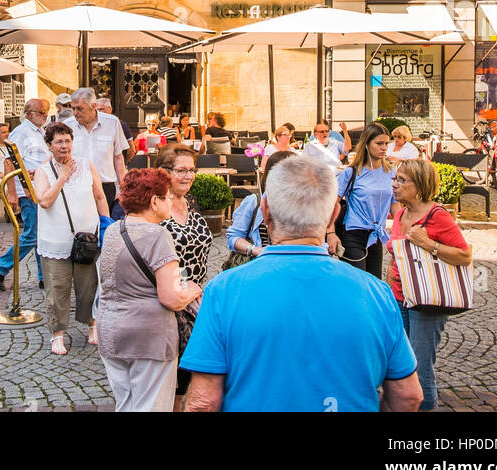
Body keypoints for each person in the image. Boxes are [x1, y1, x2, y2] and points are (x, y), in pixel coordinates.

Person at [181, 157, 421, 413]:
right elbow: (408, 396)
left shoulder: (224, 290)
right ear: (333, 214)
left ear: (265, 211)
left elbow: (203, 403)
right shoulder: (375, 293)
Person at [97, 168, 202, 412]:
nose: (170, 201)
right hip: (149, 336)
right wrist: (193, 290)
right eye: (166, 196)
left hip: (111, 330)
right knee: (152, 407)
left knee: (126, 405)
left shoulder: (113, 230)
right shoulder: (158, 234)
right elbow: (171, 296)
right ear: (155, 202)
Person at [388, 159, 472, 412]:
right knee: (401, 362)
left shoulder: (438, 216)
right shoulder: (400, 213)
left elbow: (464, 256)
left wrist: (427, 243)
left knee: (419, 364)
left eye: (402, 180)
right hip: (400, 297)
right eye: (395, 178)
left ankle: (425, 407)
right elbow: (396, 255)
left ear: (421, 185)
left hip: (428, 299)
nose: (395, 184)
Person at [35, 122, 110, 357]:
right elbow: (45, 201)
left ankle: (92, 324)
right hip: (55, 241)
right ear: (49, 145)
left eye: (67, 140)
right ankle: (57, 333)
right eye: (58, 141)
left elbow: (99, 196)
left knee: (89, 285)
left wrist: (107, 226)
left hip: (86, 240)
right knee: (57, 288)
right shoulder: (43, 171)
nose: (64, 145)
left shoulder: (87, 165)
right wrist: (63, 177)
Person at [155, 145, 213, 409]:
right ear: (165, 172)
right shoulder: (156, 206)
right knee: (172, 380)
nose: (188, 176)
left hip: (196, 301)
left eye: (191, 170)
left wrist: (197, 294)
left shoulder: (190, 201)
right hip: (170, 304)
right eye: (181, 170)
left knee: (189, 376)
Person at [0, 98, 51, 292]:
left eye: (46, 112)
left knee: (41, 234)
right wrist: (12, 192)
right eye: (42, 112)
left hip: (39, 189)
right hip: (27, 190)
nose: (45, 115)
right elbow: (9, 163)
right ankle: (1, 266)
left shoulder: (40, 131)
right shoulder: (21, 133)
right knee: (32, 234)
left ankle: (43, 277)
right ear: (29, 113)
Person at [328, 122, 397, 277]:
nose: (384, 148)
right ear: (366, 144)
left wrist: (401, 231)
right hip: (353, 234)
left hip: (376, 235)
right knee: (357, 283)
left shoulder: (390, 172)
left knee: (374, 283)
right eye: (379, 143)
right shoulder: (351, 172)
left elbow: (394, 204)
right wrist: (331, 233)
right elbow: (332, 204)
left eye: (386, 143)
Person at [63, 88, 128, 212]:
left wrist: (124, 187)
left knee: (104, 224)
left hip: (106, 186)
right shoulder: (67, 125)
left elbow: (118, 158)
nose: (75, 112)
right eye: (73, 108)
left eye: (79, 108)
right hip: (77, 185)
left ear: (93, 106)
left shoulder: (112, 122)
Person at [225, 149, 295, 257]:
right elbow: (234, 237)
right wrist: (254, 249)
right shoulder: (254, 201)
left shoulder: (302, 203)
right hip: (261, 264)